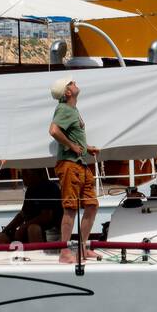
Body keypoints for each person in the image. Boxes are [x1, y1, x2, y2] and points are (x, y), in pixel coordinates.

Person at [48, 78, 100, 263]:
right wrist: (72, 146)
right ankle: (64, 252)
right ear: (67, 92)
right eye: (71, 83)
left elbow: (72, 135)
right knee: (70, 208)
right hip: (70, 165)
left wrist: (86, 148)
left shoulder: (73, 110)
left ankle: (83, 248)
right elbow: (53, 131)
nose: (75, 82)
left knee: (92, 205)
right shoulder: (63, 109)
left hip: (79, 164)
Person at [0, 169, 63, 247]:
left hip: (50, 231)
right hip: (29, 228)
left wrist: (24, 227)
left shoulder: (50, 188)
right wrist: (6, 230)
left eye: (26, 174)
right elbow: (22, 214)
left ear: (37, 174)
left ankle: (37, 256)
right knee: (2, 238)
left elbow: (46, 216)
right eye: (22, 174)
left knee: (33, 229)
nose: (23, 178)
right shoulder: (30, 190)